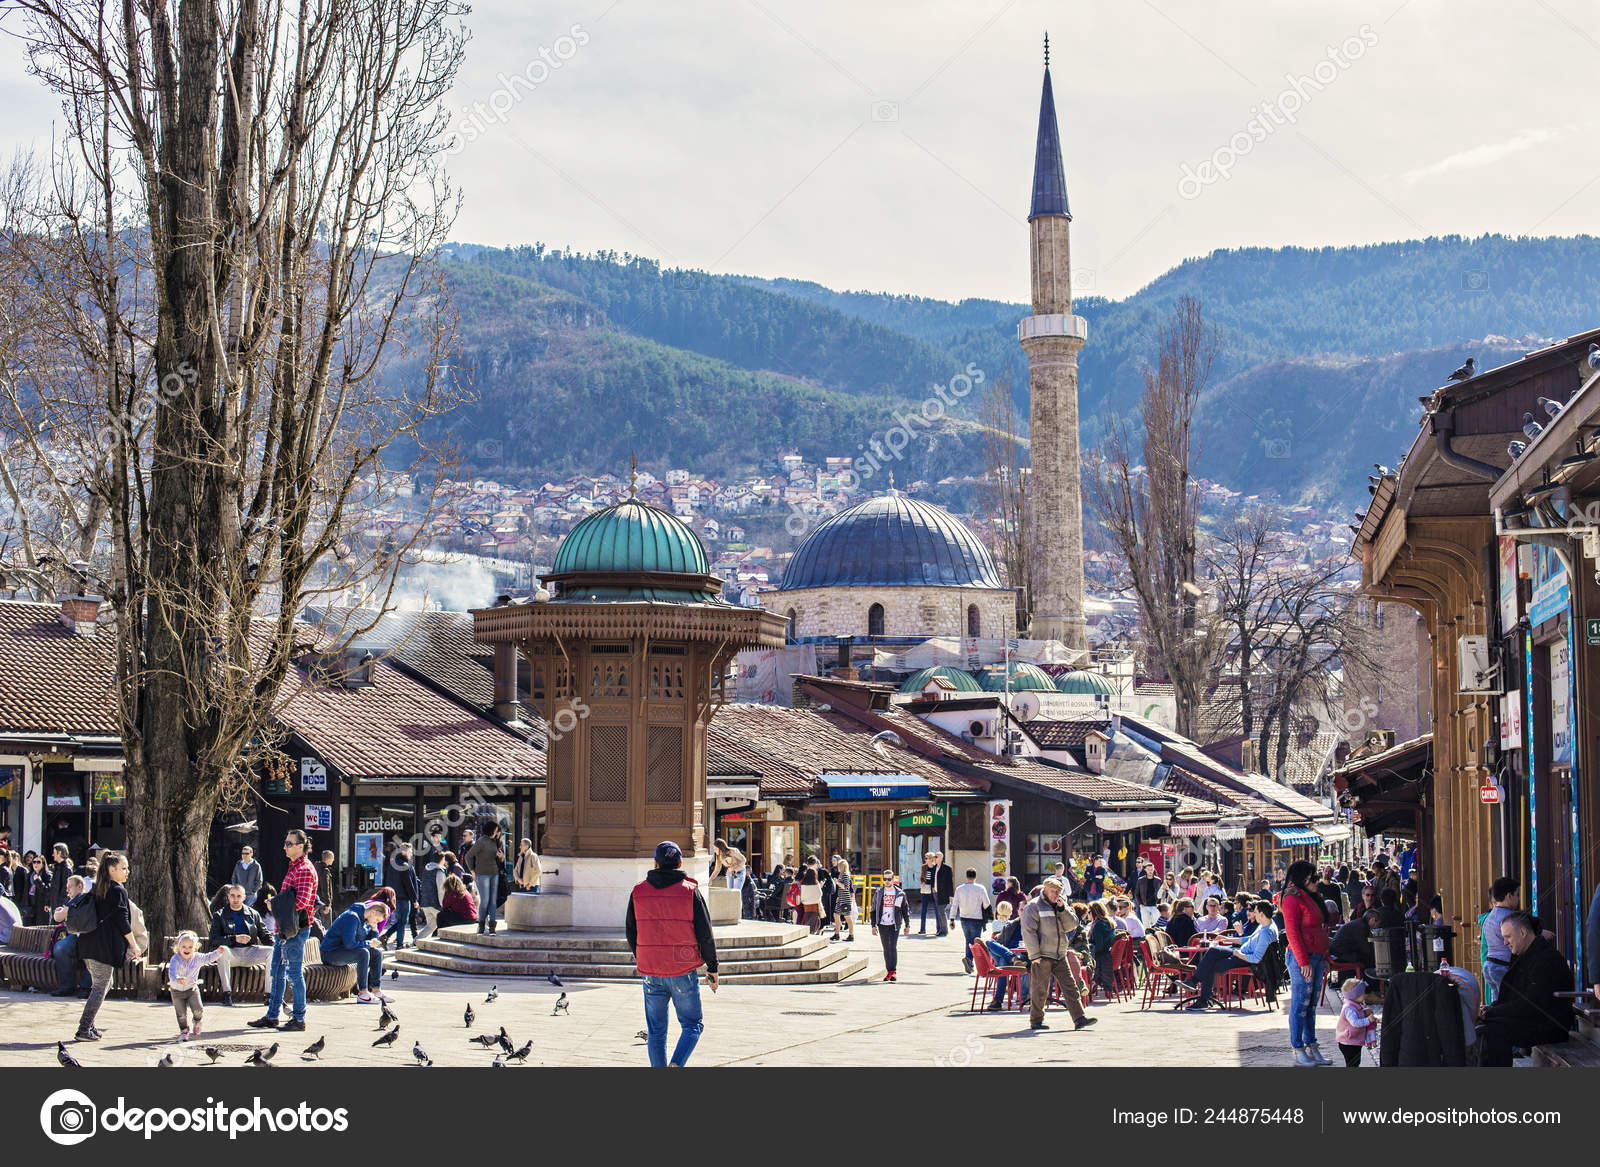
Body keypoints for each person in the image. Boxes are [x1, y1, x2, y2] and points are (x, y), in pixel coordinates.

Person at [625, 840, 719, 1068]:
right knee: (693, 1024)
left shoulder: (638, 891)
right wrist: (713, 968)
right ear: (679, 863)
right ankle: (676, 1064)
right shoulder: (690, 891)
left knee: (656, 1031)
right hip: (682, 969)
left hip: (651, 971)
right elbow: (704, 933)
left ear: (655, 863)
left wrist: (645, 958)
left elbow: (631, 931)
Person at [1477, 911, 1574, 1066]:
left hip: (1551, 1025)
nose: (1504, 943)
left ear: (1522, 932)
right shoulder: (1525, 954)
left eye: (1508, 937)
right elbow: (1516, 997)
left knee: (1493, 1029)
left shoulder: (1545, 959)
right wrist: (1493, 1009)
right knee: (1484, 1024)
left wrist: (1495, 1011)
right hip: (1534, 1019)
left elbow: (1530, 1003)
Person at [248, 829, 316, 1033]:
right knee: (276, 972)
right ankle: (272, 1016)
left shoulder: (304, 869)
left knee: (294, 974)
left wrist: (274, 905)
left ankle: (299, 1018)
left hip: (295, 930)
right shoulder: (294, 866)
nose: (284, 847)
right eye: (285, 843)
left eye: (289, 844)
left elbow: (302, 901)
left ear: (300, 846)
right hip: (284, 929)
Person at [75, 851, 138, 1042]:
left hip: (88, 945)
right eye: (123, 868)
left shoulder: (97, 888)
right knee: (101, 986)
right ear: (112, 869)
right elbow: (122, 920)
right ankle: (83, 1029)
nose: (127, 872)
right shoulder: (117, 890)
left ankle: (90, 1025)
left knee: (102, 984)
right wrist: (134, 945)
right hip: (103, 947)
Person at [1018, 877, 1095, 1032]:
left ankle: (1079, 1018)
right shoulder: (1034, 907)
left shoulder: (1061, 904)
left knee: (1070, 986)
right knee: (1040, 989)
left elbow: (1072, 924)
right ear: (1045, 890)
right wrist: (1035, 955)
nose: (1055, 895)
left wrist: (1062, 910)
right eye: (1053, 891)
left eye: (1058, 892)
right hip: (1043, 954)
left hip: (1060, 953)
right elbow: (1028, 931)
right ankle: (1036, 1020)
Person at [1281, 858, 1333, 1067]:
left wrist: (1325, 957)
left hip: (1317, 956)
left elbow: (1320, 929)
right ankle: (1298, 1047)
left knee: (1311, 1005)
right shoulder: (1292, 898)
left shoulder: (1311, 896)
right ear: (1302, 879)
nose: (1317, 882)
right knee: (1300, 1004)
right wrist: (1303, 961)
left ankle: (1311, 1044)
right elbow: (1292, 933)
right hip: (1303, 957)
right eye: (1313, 878)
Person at [1182, 900, 1278, 1010]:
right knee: (1213, 951)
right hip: (1241, 953)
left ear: (1261, 914)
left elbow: (1256, 958)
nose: (1254, 914)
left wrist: (1238, 953)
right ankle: (1195, 985)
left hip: (1246, 959)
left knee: (1210, 964)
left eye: (1255, 912)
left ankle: (1201, 996)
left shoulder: (1266, 932)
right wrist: (1228, 939)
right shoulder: (1264, 926)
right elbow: (1248, 939)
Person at [208, 883, 273, 1005]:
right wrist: (234, 939)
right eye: (232, 896)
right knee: (222, 951)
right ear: (228, 896)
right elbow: (213, 939)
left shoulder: (253, 914)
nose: (235, 899)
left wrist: (277, 947)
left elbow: (265, 935)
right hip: (231, 953)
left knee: (272, 952)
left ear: (244, 897)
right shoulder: (220, 915)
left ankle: (269, 995)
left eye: (239, 896)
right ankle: (227, 994)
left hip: (250, 952)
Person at [322, 898, 396, 1005]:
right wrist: (369, 944)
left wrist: (374, 930)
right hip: (330, 953)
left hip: (343, 951)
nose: (376, 922)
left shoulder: (364, 920)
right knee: (363, 953)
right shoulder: (352, 917)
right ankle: (363, 993)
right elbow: (350, 944)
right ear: (373, 912)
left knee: (376, 954)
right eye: (377, 920)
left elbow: (365, 940)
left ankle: (376, 990)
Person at [167, 930, 220, 1041]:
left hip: (192, 989)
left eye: (190, 947)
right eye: (184, 947)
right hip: (176, 990)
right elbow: (172, 971)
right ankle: (184, 1031)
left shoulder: (198, 958)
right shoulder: (175, 959)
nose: (187, 950)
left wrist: (218, 952)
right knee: (181, 1013)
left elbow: (209, 957)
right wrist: (176, 978)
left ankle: (197, 1021)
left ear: (195, 948)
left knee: (198, 1009)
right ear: (178, 947)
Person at [48, 874, 91, 997]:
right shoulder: (71, 901)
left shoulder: (86, 899)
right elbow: (57, 918)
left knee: (92, 951)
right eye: (67, 887)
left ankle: (86, 987)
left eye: (70, 887)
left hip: (90, 938)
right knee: (61, 947)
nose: (67, 890)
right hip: (76, 936)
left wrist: (64, 912)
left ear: (80, 886)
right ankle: (66, 986)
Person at [1482, 876, 1521, 1002]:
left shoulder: (1489, 917)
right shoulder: (1510, 917)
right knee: (1508, 1004)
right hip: (1503, 966)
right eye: (1517, 895)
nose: (1518, 899)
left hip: (1489, 966)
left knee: (1497, 1002)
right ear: (1509, 896)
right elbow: (1521, 938)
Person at [463, 823, 505, 935]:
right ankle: (481, 925)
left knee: (493, 901)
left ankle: (492, 928)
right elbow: (468, 856)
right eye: (496, 830)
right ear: (491, 830)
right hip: (482, 874)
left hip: (495, 874)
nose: (497, 832)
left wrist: (501, 857)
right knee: (485, 900)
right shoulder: (482, 841)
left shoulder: (497, 842)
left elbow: (500, 861)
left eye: (498, 830)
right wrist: (472, 871)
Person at [871, 869, 910, 981]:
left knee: (892, 947)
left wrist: (907, 925)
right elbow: (873, 910)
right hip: (882, 924)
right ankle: (889, 971)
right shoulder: (879, 893)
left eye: (889, 879)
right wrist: (873, 925)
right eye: (885, 879)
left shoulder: (900, 894)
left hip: (894, 924)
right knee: (886, 948)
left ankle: (893, 971)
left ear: (893, 880)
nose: (887, 881)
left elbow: (905, 910)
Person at [381, 842, 421, 950]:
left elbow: (387, 880)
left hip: (394, 897)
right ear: (404, 852)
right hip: (403, 897)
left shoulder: (392, 864)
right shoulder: (404, 865)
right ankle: (399, 944)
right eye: (410, 851)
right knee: (403, 921)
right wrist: (414, 899)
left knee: (401, 921)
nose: (411, 853)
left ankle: (385, 936)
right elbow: (409, 884)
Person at [953, 867, 992, 973]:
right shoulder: (980, 888)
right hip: (976, 918)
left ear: (966, 876)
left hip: (964, 917)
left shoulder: (959, 888)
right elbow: (987, 903)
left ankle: (969, 959)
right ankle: (971, 961)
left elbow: (955, 904)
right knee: (976, 942)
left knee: (968, 940)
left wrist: (952, 919)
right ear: (975, 877)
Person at [1334, 979, 1377, 1067]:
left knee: (1355, 1062)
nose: (1365, 995)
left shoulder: (1355, 1005)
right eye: (1363, 993)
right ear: (1356, 996)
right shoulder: (1349, 1008)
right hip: (1349, 1042)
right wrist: (1368, 1020)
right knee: (1352, 1063)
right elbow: (1355, 1022)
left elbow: (1358, 1015)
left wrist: (1364, 1012)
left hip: (1354, 1040)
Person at [1330, 910, 1380, 984]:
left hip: (1341, 951)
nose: (1377, 926)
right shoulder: (1361, 927)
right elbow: (1365, 948)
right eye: (1377, 923)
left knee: (1368, 957)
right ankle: (1370, 985)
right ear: (1372, 920)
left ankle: (1369, 984)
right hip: (1340, 954)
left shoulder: (1359, 924)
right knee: (1368, 959)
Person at [1087, 900, 1118, 999]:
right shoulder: (1108, 922)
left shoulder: (1098, 925)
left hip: (1100, 956)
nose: (1087, 914)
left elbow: (1098, 946)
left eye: (1089, 912)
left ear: (1093, 912)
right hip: (1107, 955)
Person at [830, 859, 856, 942]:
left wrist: (837, 882)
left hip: (845, 900)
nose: (837, 867)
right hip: (841, 898)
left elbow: (846, 887)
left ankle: (851, 935)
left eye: (839, 866)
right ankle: (837, 934)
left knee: (847, 917)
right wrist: (838, 896)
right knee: (836, 915)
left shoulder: (845, 875)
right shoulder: (842, 875)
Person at [929, 851, 954, 937]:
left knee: (941, 912)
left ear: (941, 858)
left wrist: (951, 895)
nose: (935, 858)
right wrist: (932, 888)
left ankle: (944, 930)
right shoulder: (934, 868)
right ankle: (940, 929)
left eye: (937, 857)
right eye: (935, 857)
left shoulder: (947, 869)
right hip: (935, 892)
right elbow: (932, 880)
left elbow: (950, 882)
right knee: (938, 912)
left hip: (943, 893)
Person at [46, 843, 74, 915]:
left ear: (59, 853)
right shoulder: (57, 867)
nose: (52, 855)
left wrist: (60, 906)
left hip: (59, 905)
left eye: (54, 852)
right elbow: (53, 887)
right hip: (55, 904)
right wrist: (49, 902)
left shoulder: (66, 868)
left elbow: (65, 889)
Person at [1133, 860, 1161, 929]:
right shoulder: (1140, 880)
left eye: (1152, 869)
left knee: (1156, 924)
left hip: (1155, 905)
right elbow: (1136, 894)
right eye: (1148, 869)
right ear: (1145, 870)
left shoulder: (1158, 880)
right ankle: (1147, 937)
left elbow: (1161, 893)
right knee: (1146, 925)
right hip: (1144, 905)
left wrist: (1159, 903)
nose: (1150, 871)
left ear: (1153, 869)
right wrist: (1140, 904)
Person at [316, 850, 336, 927]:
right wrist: (327, 904)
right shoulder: (324, 871)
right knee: (327, 926)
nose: (333, 860)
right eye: (332, 858)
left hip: (317, 902)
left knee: (319, 925)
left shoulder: (316, 868)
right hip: (324, 903)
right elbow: (325, 888)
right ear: (328, 859)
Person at [918, 852, 936, 933]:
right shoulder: (924, 867)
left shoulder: (935, 867)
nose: (925, 859)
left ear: (932, 859)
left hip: (933, 889)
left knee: (936, 909)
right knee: (923, 909)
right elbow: (922, 876)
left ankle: (938, 929)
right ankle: (922, 929)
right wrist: (923, 881)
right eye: (925, 858)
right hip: (925, 889)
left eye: (927, 858)